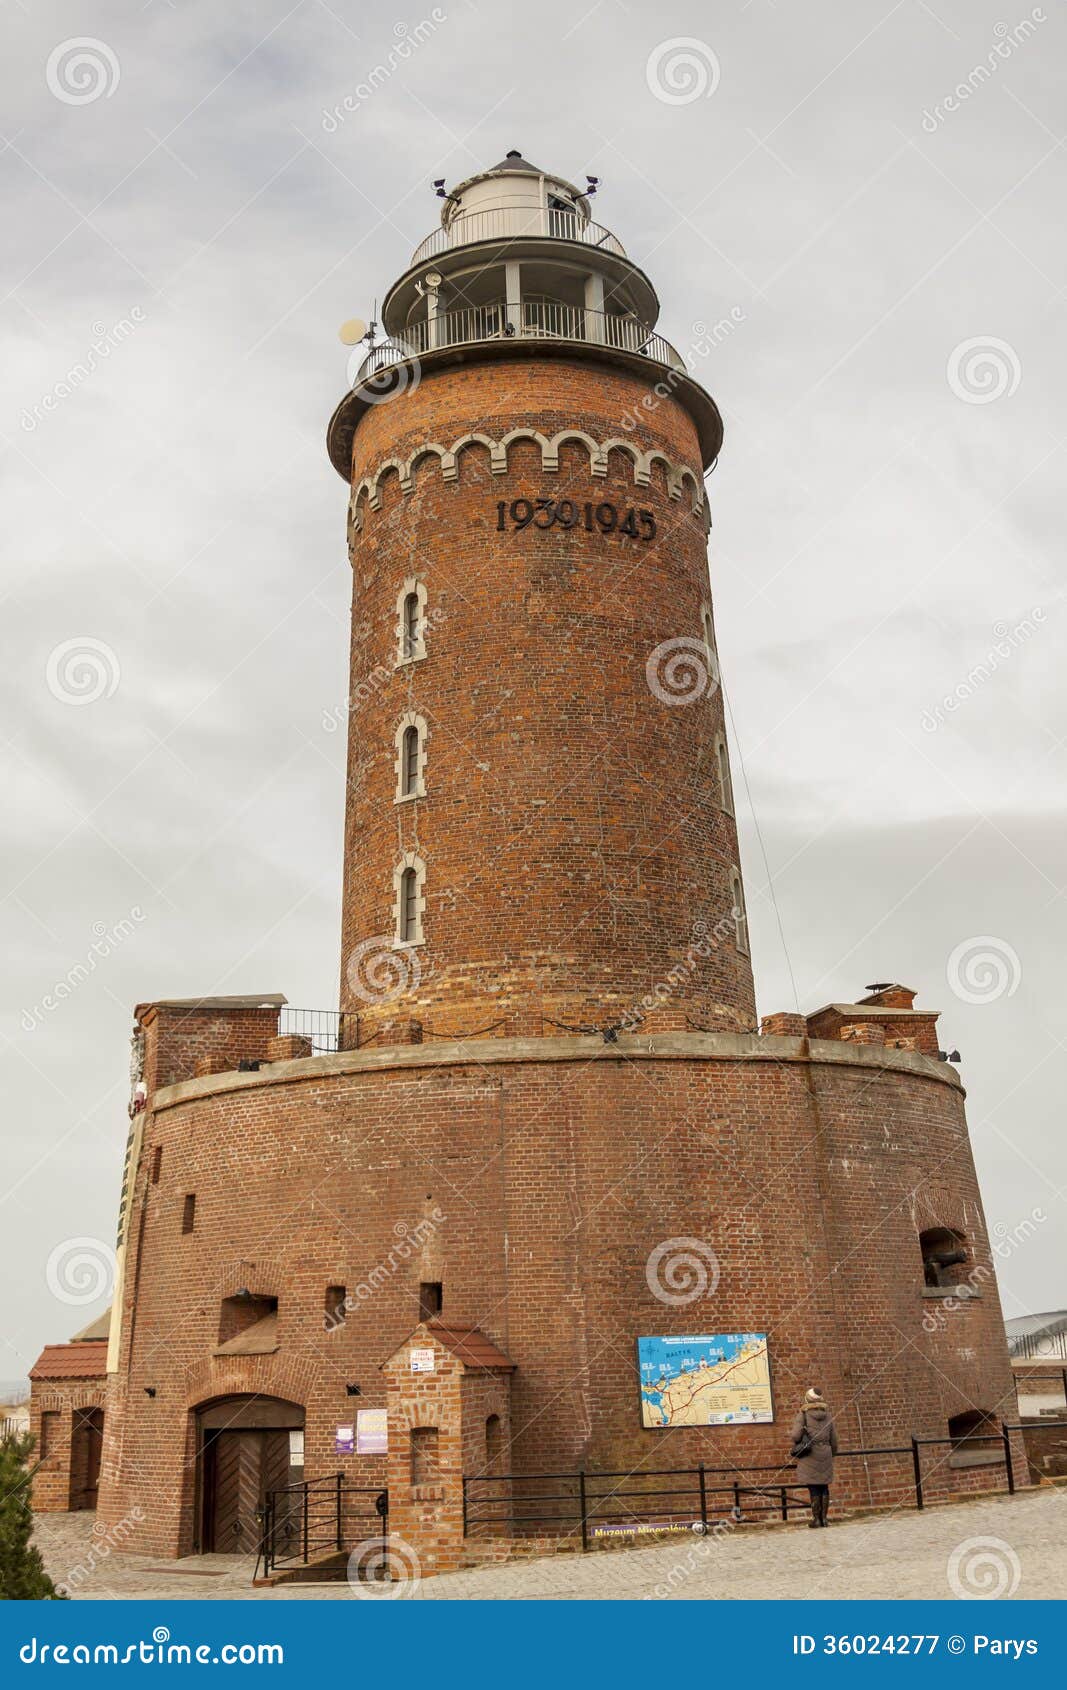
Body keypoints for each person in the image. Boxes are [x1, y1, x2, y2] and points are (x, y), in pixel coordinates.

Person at [791, 1387, 838, 1527]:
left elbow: (795, 1436)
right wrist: (832, 1453)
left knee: (813, 1487)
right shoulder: (828, 1415)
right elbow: (834, 1438)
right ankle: (825, 1519)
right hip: (826, 1452)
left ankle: (816, 1519)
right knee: (824, 1486)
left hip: (810, 1454)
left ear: (807, 1399)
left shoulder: (803, 1415)